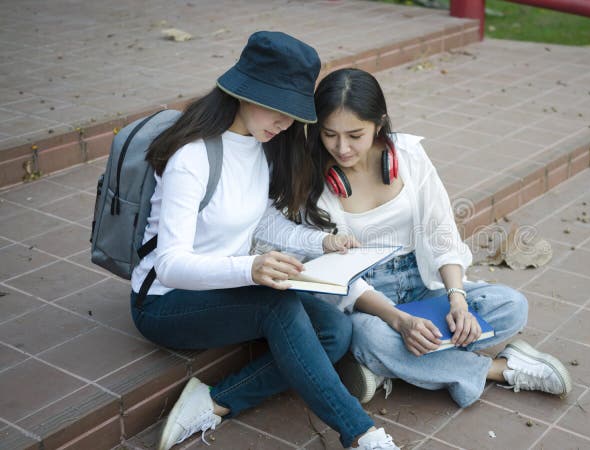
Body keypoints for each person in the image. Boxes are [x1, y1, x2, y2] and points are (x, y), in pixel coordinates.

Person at [130, 33, 398, 450]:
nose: (286, 123)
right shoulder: (193, 156)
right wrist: (249, 269)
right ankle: (362, 434)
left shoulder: (259, 144)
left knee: (335, 330)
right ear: (243, 92)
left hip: (225, 289)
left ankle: (216, 401)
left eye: (293, 113)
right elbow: (170, 264)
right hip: (166, 301)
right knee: (276, 301)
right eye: (277, 108)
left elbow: (262, 221)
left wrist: (321, 242)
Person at [256, 67, 572, 409]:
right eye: (329, 134)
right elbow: (337, 273)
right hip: (368, 297)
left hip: (423, 280)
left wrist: (458, 301)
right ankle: (500, 370)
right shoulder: (312, 178)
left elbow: (441, 231)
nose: (342, 148)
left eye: (355, 135)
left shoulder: (408, 155)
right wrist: (399, 320)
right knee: (373, 338)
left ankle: (394, 367)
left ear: (379, 123)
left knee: (512, 306)